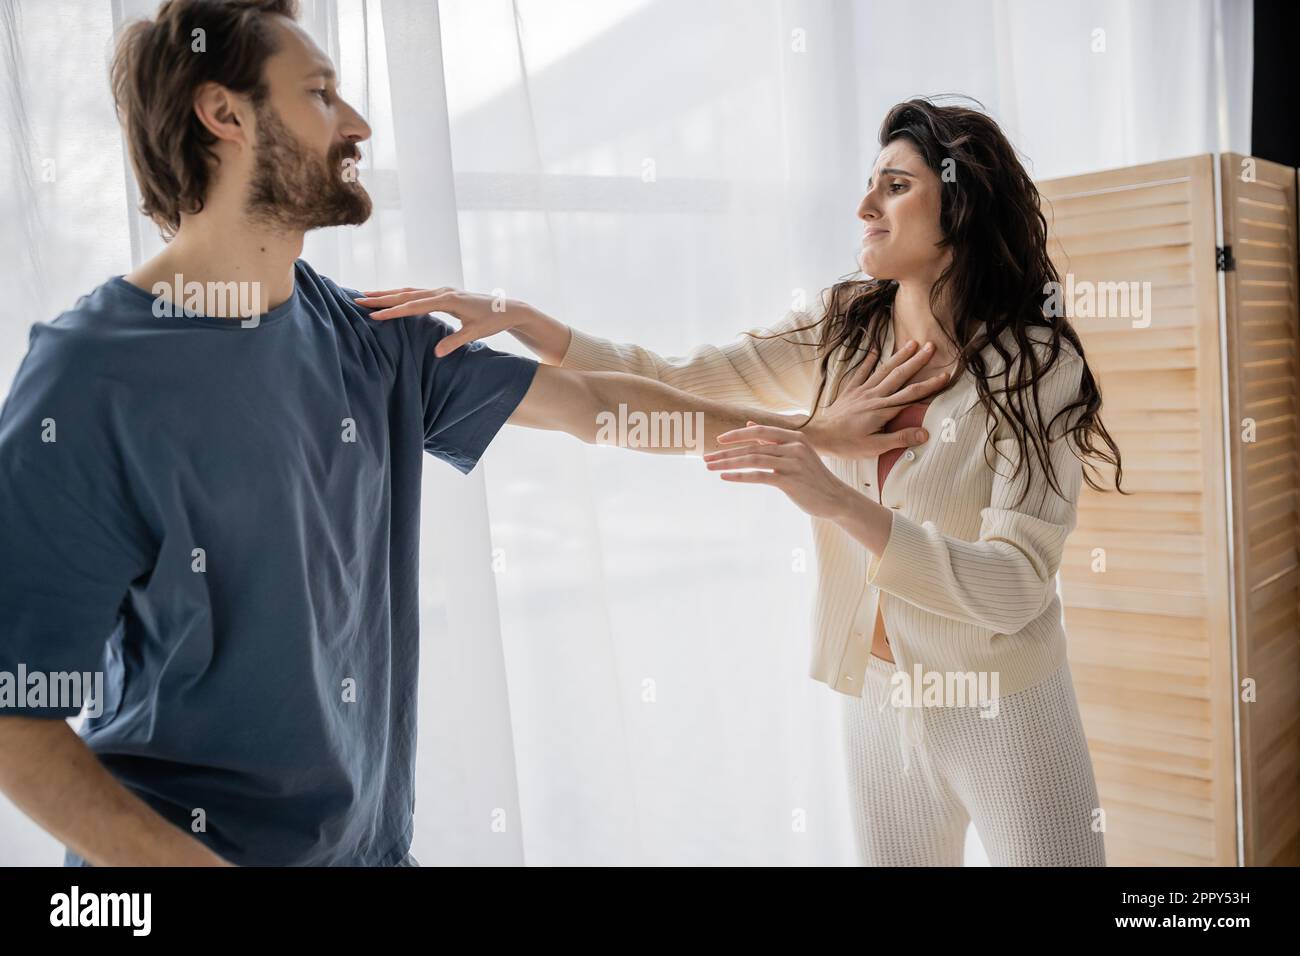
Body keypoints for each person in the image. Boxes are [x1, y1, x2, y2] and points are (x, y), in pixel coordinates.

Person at [0, 0, 936, 867]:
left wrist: (809, 433)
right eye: (322, 95)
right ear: (226, 115)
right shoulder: (91, 378)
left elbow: (599, 408)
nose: (358, 125)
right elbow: (15, 720)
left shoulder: (371, 341)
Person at [359, 97, 1126, 866]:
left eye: (895, 185)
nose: (864, 206)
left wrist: (834, 496)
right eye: (869, 184)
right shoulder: (845, 327)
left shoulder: (1036, 367)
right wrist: (524, 319)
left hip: (1005, 706)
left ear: (962, 202)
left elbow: (1019, 583)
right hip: (878, 701)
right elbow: (674, 379)